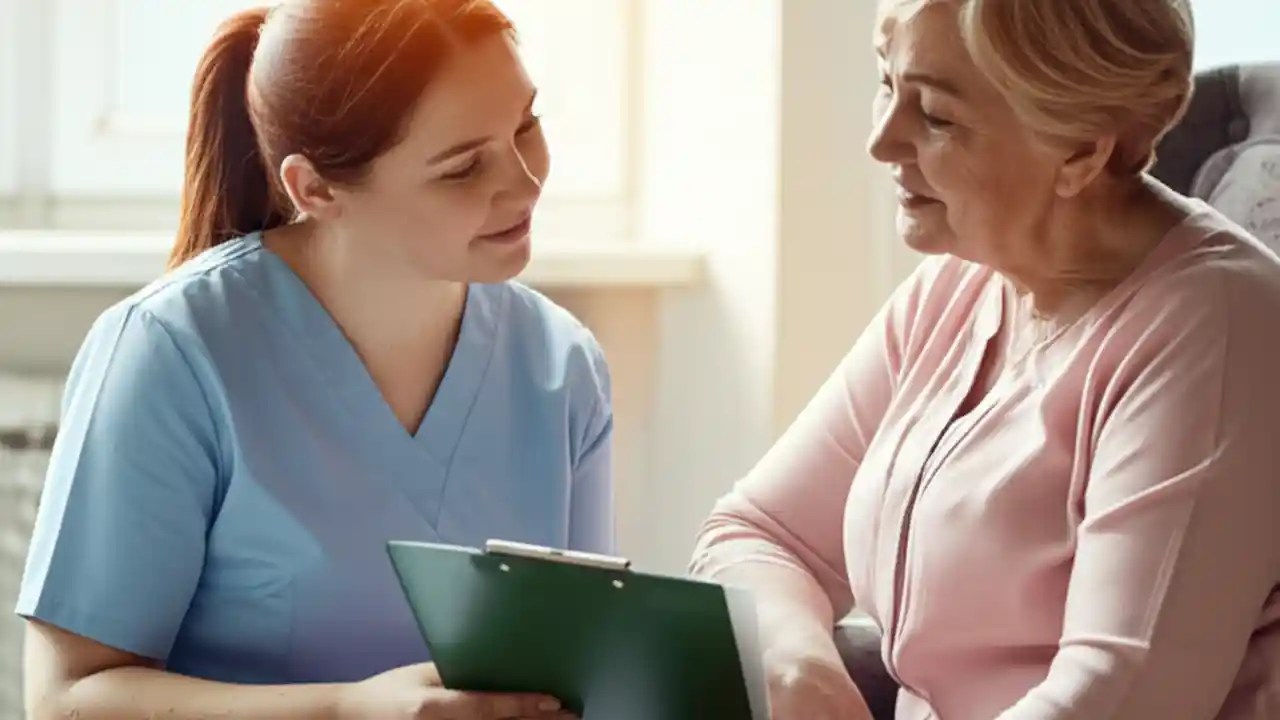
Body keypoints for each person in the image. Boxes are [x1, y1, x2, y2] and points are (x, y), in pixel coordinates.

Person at [16, 2, 610, 719]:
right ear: (316, 190)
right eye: (461, 168)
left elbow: (578, 678)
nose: (524, 182)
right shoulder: (172, 353)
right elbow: (65, 699)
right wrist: (347, 710)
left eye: (526, 126)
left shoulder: (560, 367)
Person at [690, 1, 1280, 718]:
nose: (882, 142)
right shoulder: (964, 281)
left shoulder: (1213, 327)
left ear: (1082, 150)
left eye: (936, 116)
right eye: (886, 82)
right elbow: (759, 533)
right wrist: (795, 664)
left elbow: (1116, 697)